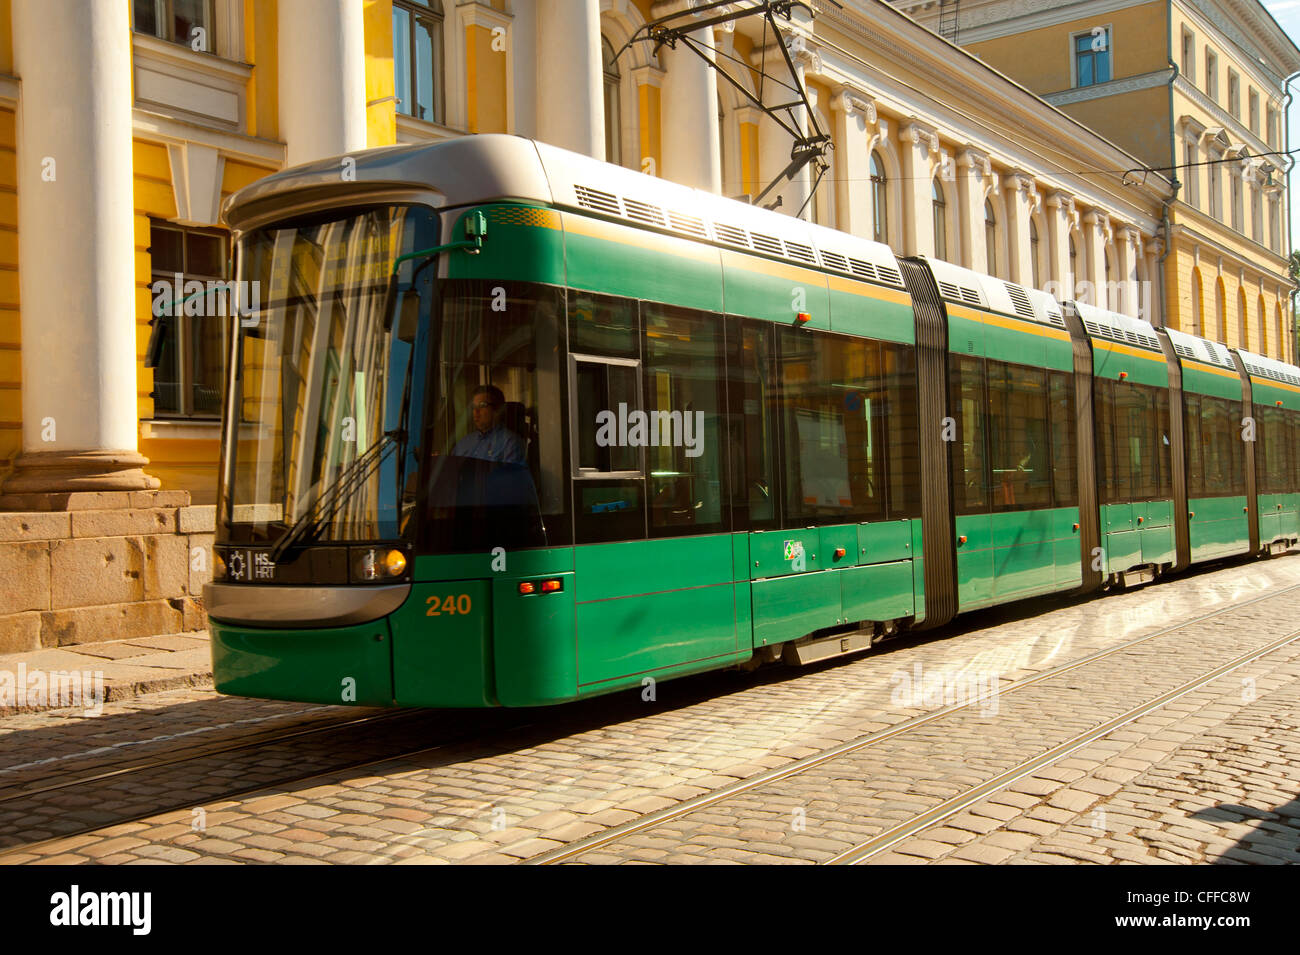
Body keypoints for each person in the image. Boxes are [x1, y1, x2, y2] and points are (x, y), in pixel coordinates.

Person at [451, 384, 526, 465]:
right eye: (473, 407)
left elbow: (510, 476)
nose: (476, 412)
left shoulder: (510, 443)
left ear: (498, 409)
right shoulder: (464, 442)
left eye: (482, 405)